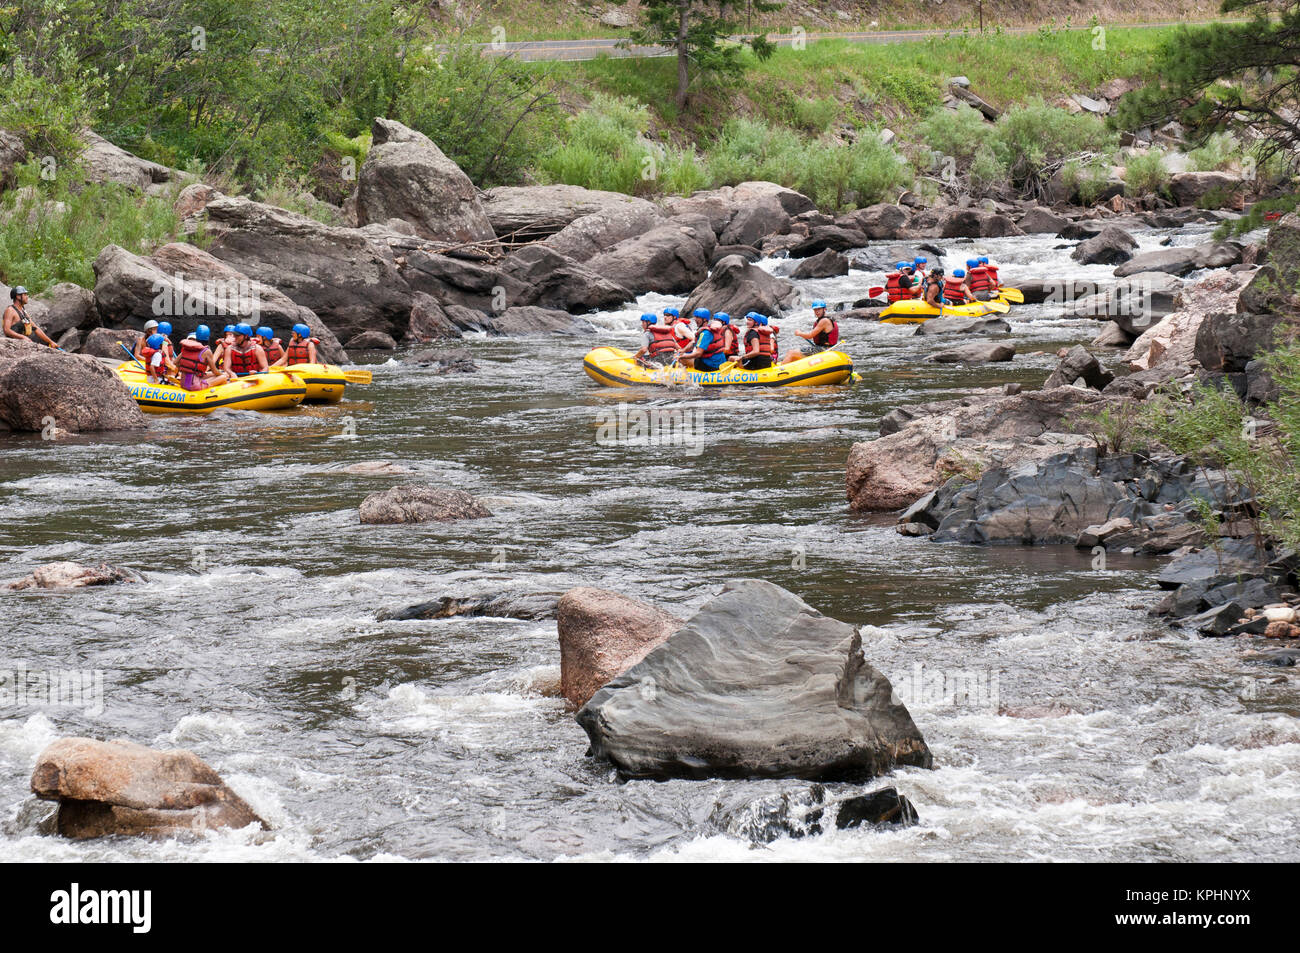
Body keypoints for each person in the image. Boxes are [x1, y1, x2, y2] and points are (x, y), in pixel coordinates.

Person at [781, 299, 838, 364]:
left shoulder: (824, 321)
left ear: (824, 309)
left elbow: (810, 335)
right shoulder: (826, 319)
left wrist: (799, 333)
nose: (817, 312)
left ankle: (779, 371)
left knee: (791, 352)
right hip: (823, 348)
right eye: (815, 310)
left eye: (819, 309)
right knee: (796, 353)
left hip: (823, 349)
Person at [175, 325, 231, 390]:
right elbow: (215, 371)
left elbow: (175, 362)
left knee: (210, 374)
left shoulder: (186, 348)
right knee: (223, 377)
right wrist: (222, 374)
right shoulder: (206, 351)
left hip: (183, 384)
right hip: (195, 386)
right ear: (208, 337)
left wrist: (184, 369)